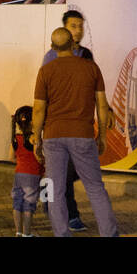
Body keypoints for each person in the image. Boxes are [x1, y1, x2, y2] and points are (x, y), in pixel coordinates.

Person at [32, 27, 118, 237]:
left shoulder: (46, 71)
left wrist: (37, 140)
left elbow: (38, 109)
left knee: (55, 191)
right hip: (83, 135)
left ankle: (62, 234)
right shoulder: (91, 68)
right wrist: (103, 137)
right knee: (95, 188)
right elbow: (101, 104)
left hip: (53, 136)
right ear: (73, 44)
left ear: (52, 48)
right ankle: (109, 233)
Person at [40, 8, 94, 232]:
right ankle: (69, 215)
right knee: (63, 171)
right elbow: (42, 95)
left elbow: (93, 87)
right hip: (56, 124)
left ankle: (49, 198)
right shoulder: (50, 56)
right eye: (73, 26)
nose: (78, 30)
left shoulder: (86, 55)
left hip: (79, 124)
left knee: (69, 172)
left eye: (80, 26)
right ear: (64, 28)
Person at [11, 104, 42, 237]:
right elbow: (38, 157)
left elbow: (11, 157)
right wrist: (44, 161)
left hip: (19, 174)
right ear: (31, 122)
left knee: (17, 203)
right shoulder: (33, 138)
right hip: (32, 175)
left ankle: (18, 232)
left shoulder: (15, 138)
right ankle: (27, 233)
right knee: (29, 205)